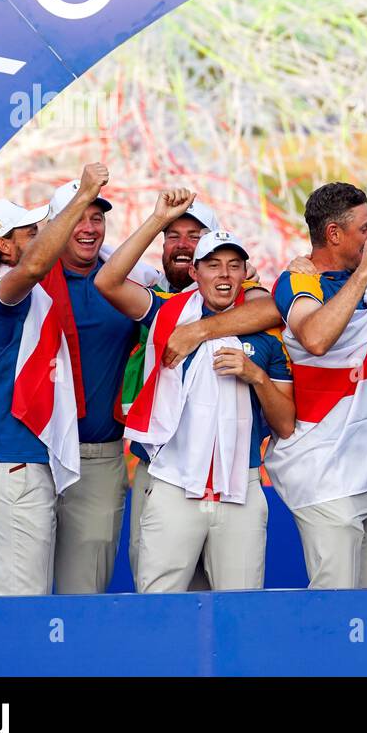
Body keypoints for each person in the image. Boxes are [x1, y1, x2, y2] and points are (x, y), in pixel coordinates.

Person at [154, 182, 367, 588]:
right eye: (364, 228)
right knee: (336, 605)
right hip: (325, 468)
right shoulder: (299, 282)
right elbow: (315, 337)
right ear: (333, 234)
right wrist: (365, 271)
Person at [94, 195, 295, 591]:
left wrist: (256, 376)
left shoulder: (267, 330)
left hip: (241, 483)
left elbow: (285, 424)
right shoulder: (166, 312)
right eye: (214, 265)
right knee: (161, 604)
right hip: (173, 479)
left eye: (233, 265)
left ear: (245, 274)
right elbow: (108, 282)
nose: (224, 274)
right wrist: (156, 219)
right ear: (196, 271)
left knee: (238, 609)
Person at [0, 167, 110, 595]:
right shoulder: (0, 294)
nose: (41, 234)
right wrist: (83, 195)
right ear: (3, 245)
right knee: (23, 606)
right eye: (28, 232)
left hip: (4, 465)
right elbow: (38, 262)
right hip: (14, 469)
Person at [37, 176, 150, 595]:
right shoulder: (22, 281)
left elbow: (194, 298)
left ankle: (74, 663)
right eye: (77, 218)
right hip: (33, 456)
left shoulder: (131, 281)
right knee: (13, 586)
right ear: (54, 224)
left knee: (83, 592)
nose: (88, 227)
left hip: (98, 458)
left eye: (96, 217)